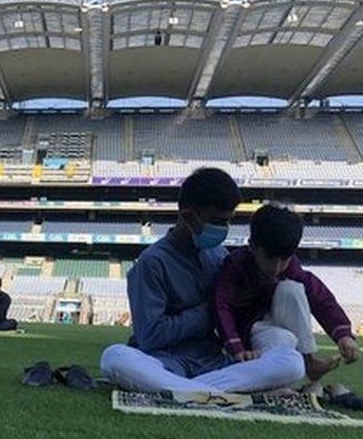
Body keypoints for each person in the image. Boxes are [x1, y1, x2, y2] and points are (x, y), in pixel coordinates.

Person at [100, 168, 306, 394]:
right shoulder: (152, 263)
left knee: (292, 361)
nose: (223, 229)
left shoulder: (220, 256)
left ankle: (189, 392)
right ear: (188, 216)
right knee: (115, 356)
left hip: (215, 364)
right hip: (166, 363)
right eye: (217, 222)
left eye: (228, 222)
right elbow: (150, 336)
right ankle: (209, 391)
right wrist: (211, 310)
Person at [214, 204, 360, 381]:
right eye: (270, 259)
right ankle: (281, 375)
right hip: (248, 332)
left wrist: (343, 335)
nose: (276, 268)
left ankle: (308, 360)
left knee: (293, 289)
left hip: (273, 325)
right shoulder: (235, 266)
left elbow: (321, 299)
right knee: (283, 340)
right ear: (252, 246)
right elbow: (222, 307)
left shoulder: (292, 269)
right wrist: (237, 348)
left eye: (284, 259)